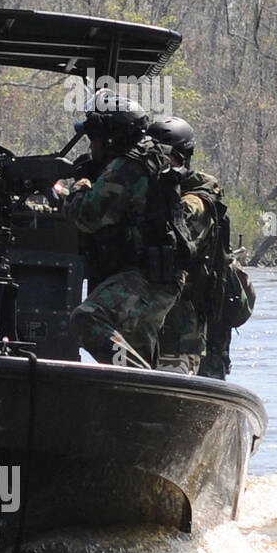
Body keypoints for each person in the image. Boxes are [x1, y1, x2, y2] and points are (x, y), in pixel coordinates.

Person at [65, 93, 189, 369]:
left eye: (94, 138)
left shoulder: (126, 167)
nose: (92, 145)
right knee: (132, 351)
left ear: (110, 138)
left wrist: (80, 184)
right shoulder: (150, 157)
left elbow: (85, 216)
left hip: (145, 277)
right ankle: (145, 401)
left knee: (86, 318)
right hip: (159, 276)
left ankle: (144, 386)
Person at [148, 117, 223, 375]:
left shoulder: (196, 203)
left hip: (180, 335)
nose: (154, 162)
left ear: (180, 158)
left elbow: (176, 239)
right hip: (151, 327)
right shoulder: (160, 192)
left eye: (161, 155)